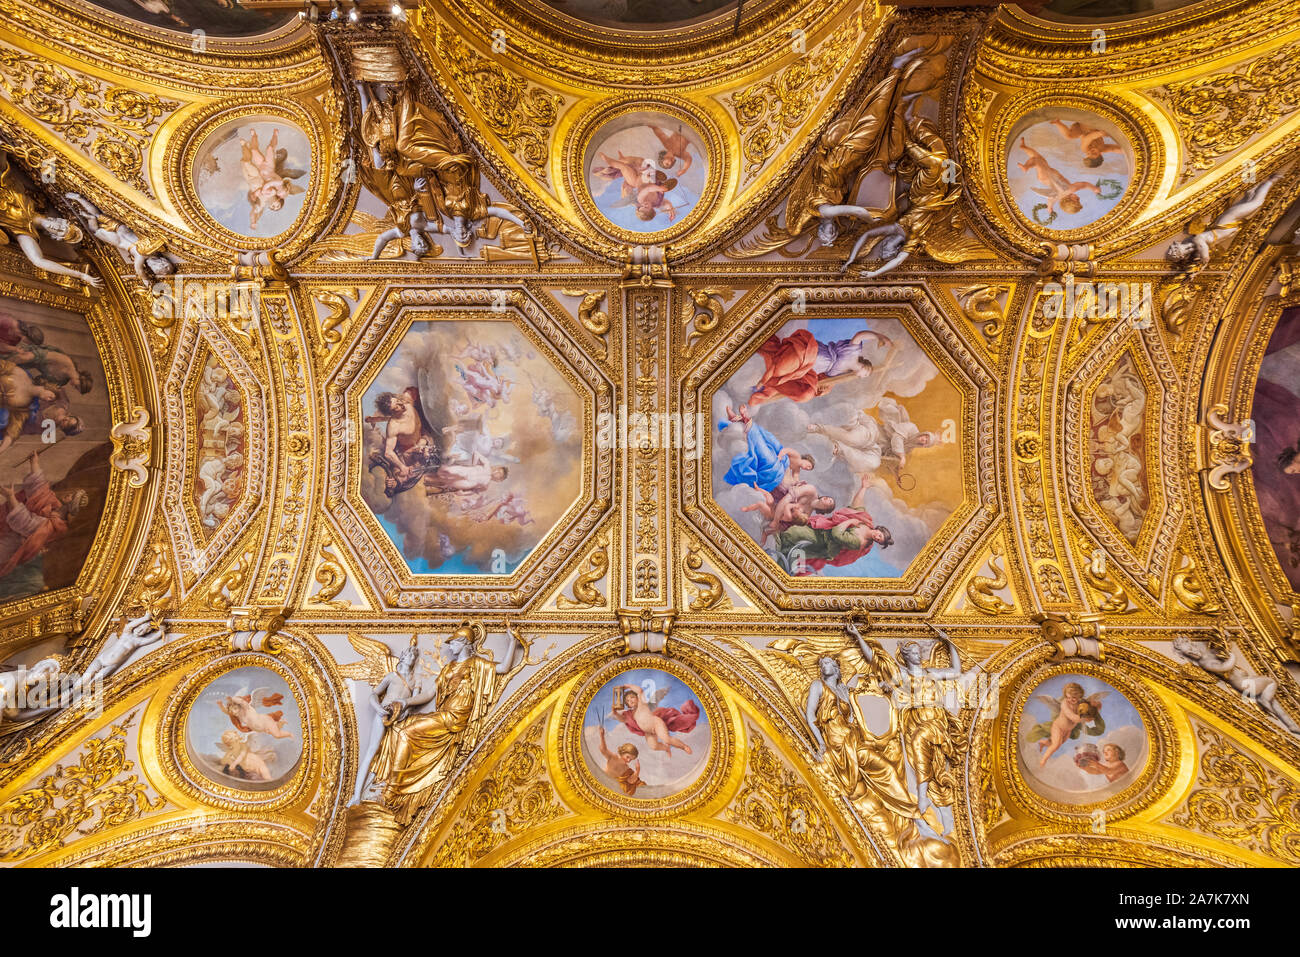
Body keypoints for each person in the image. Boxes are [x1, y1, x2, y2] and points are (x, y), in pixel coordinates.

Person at [749, 328, 895, 406]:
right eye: (866, 372)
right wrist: (879, 336)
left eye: (865, 376)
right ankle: (767, 377)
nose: (863, 375)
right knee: (780, 368)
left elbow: (824, 380)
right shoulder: (853, 355)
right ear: (865, 365)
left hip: (806, 370)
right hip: (812, 353)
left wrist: (825, 389)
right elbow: (860, 335)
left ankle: (769, 383)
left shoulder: (841, 373)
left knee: (805, 395)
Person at [1017, 138, 1100, 218]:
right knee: (1039, 158)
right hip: (1043, 179)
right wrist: (1049, 208)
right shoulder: (1056, 197)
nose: (1079, 198)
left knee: (1036, 160)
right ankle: (1023, 147)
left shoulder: (1071, 189)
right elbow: (1050, 202)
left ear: (1070, 200)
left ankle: (1026, 167)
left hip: (1047, 175)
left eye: (1077, 200)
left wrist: (1094, 188)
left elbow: (1084, 184)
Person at [1049, 118, 1123, 168]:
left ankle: (1057, 122)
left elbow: (1089, 138)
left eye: (1088, 154)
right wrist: (1124, 152)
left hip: (1081, 128)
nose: (1090, 151)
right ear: (1100, 154)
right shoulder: (1102, 148)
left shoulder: (1085, 149)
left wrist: (1100, 134)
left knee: (1069, 136)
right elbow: (1114, 149)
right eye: (1094, 153)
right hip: (1094, 128)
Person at [596, 726, 642, 796]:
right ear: (623, 752)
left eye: (631, 759)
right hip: (601, 780)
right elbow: (603, 750)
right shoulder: (614, 757)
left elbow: (630, 781)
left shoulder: (626, 768)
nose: (628, 760)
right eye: (628, 757)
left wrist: (637, 770)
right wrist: (602, 736)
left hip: (610, 787)